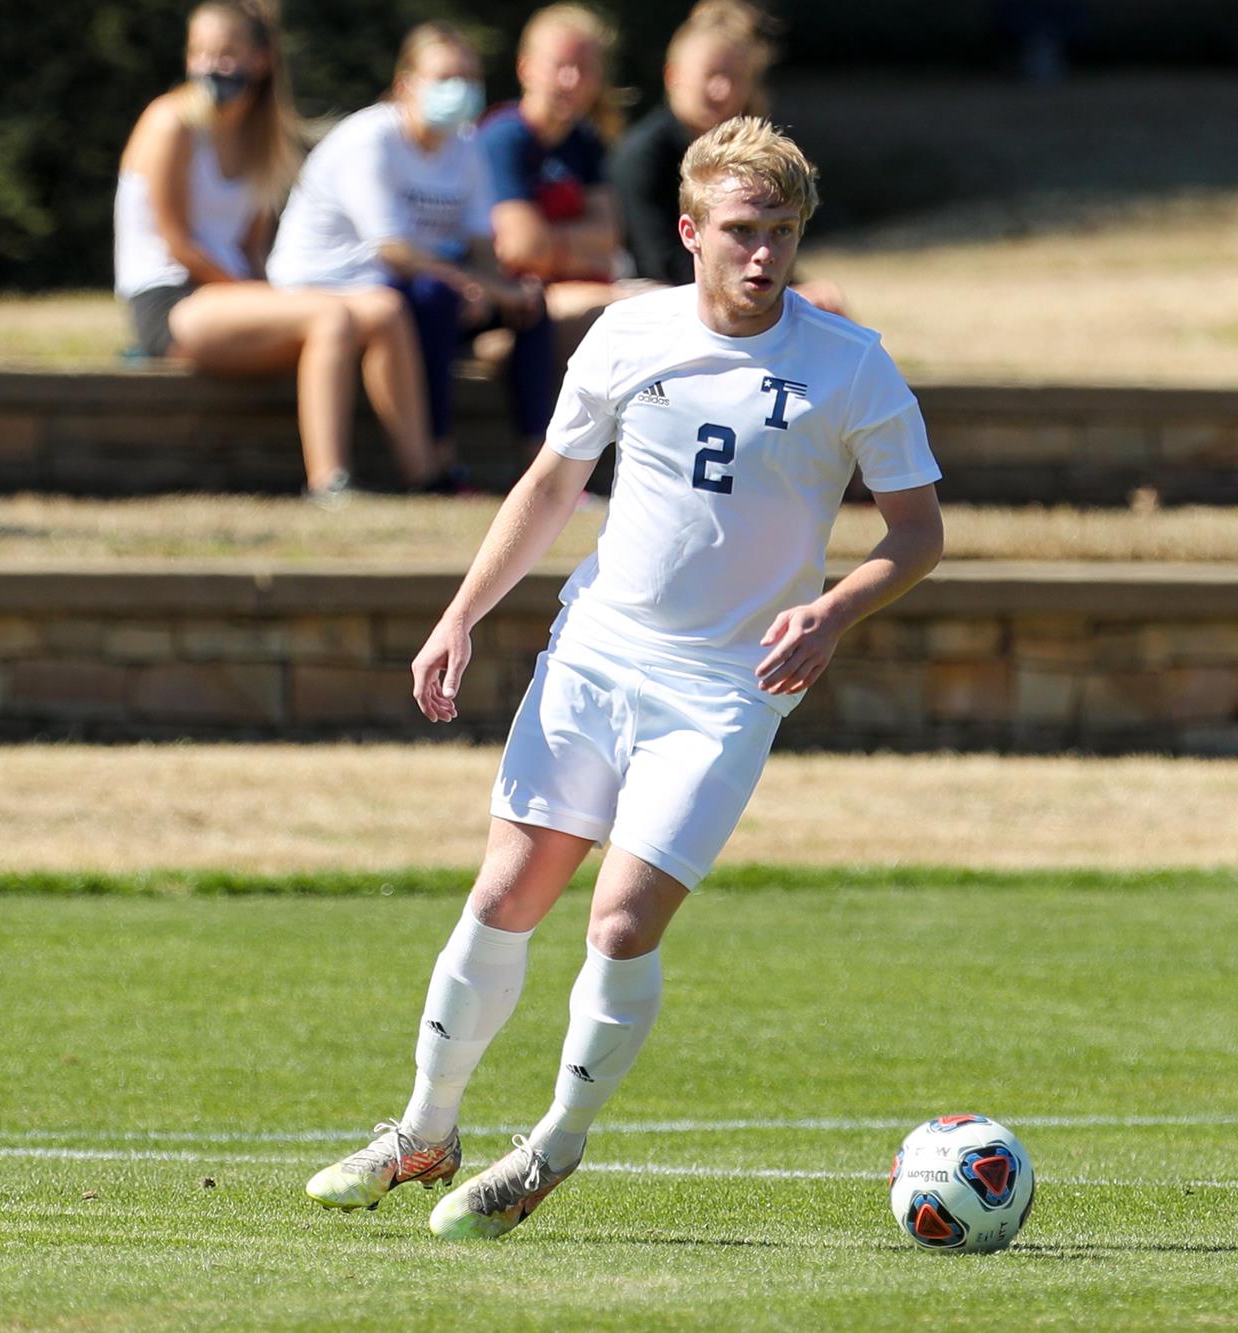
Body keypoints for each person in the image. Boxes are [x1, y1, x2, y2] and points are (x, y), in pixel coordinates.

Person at [303, 117, 943, 1238]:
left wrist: (835, 609)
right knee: (506, 895)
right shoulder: (625, 334)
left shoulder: (852, 362)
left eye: (782, 233)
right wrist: (460, 615)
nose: (763, 256)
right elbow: (549, 487)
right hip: (597, 650)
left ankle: (549, 1146)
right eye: (741, 231)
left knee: (618, 922)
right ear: (689, 230)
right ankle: (423, 1129)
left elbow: (917, 533)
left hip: (727, 686)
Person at [115, 1, 443, 501]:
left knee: (384, 309)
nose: (210, 65)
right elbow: (178, 243)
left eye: (226, 53)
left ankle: (425, 475)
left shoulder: (258, 138)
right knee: (330, 317)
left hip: (229, 297)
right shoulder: (170, 123)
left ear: (261, 60)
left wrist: (265, 293)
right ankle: (330, 482)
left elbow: (251, 248)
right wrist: (261, 295)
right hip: (171, 301)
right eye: (199, 51)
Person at [268, 23, 551, 479]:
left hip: (410, 285)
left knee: (532, 307)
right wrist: (475, 286)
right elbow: (394, 250)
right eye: (444, 78)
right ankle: (437, 462)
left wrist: (496, 289)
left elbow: (480, 244)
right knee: (435, 298)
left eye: (468, 79)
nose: (458, 91)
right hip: (332, 287)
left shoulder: (466, 145)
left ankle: (541, 466)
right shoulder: (370, 139)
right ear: (405, 86)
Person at [608, 0, 844, 312]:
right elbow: (659, 261)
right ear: (672, 75)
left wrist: (799, 289)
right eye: (712, 75)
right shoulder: (643, 156)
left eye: (735, 77)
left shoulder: (748, 154)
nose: (722, 90)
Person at [478, 5, 649, 349]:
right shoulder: (504, 137)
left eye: (584, 69)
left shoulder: (584, 140)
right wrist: (581, 251)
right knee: (633, 317)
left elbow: (609, 236)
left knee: (666, 304)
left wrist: (551, 246)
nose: (571, 81)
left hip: (580, 289)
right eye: (560, 66)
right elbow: (520, 249)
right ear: (525, 68)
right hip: (518, 301)